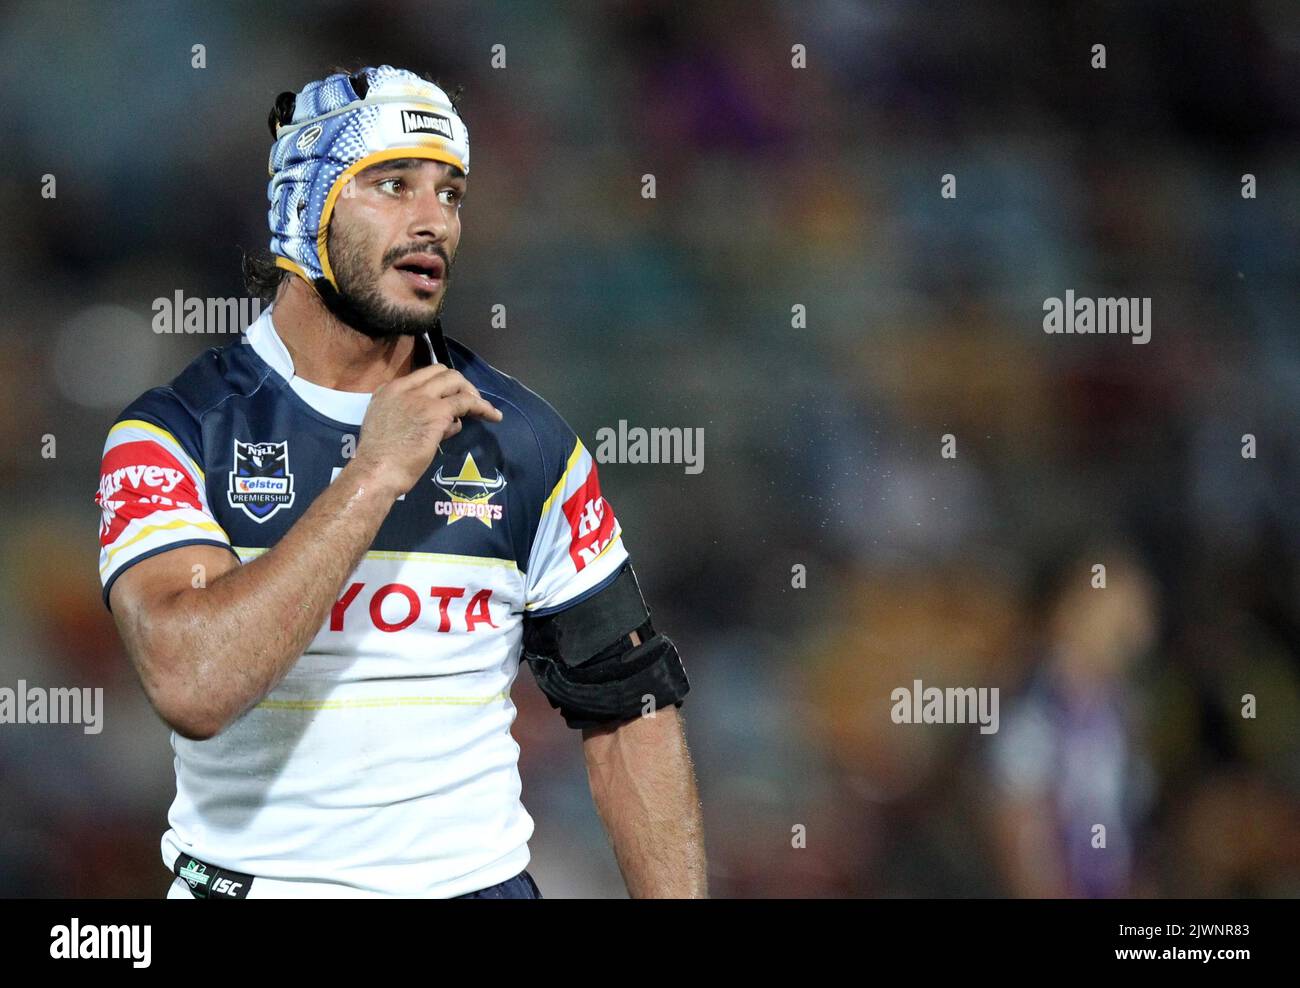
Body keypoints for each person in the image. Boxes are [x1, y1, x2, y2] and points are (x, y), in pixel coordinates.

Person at [94, 64, 704, 898]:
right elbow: (193, 685)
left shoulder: (524, 441)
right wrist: (371, 475)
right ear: (304, 210)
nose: (435, 223)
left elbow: (629, 706)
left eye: (450, 193)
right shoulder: (174, 434)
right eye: (393, 184)